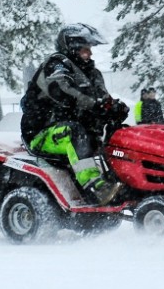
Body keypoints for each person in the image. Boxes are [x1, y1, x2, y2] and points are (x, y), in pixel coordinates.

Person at [20, 23, 128, 205]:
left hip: (79, 129)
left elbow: (102, 99)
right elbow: (63, 90)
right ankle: (96, 187)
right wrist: (95, 105)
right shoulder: (55, 66)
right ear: (72, 48)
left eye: (90, 49)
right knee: (74, 133)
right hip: (42, 133)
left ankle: (126, 180)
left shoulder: (92, 73)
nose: (90, 54)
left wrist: (113, 108)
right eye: (86, 50)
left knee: (119, 134)